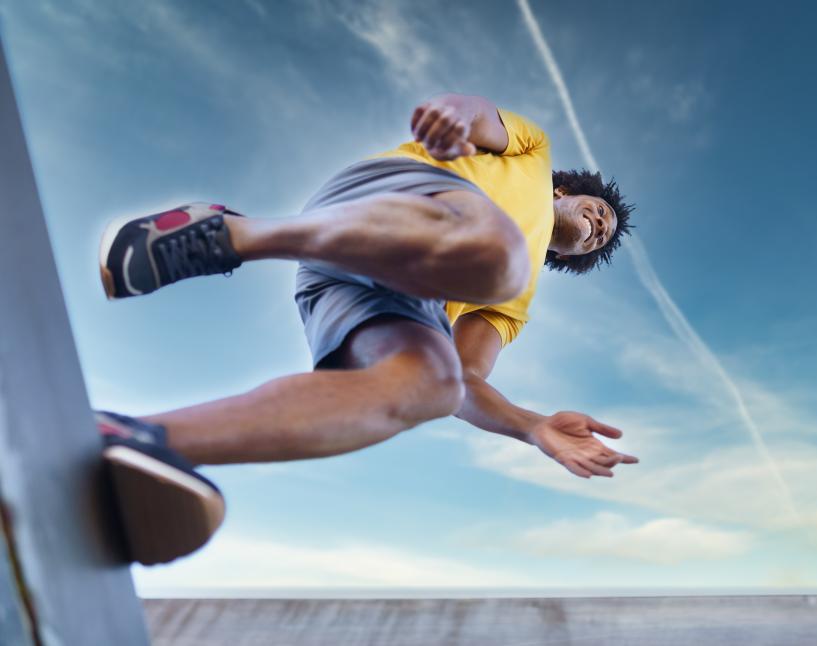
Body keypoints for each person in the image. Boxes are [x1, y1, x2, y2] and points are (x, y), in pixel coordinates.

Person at [96, 93, 639, 565]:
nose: (598, 226)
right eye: (598, 212)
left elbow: (467, 381)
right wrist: (453, 115)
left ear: (572, 257)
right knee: (501, 260)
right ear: (564, 190)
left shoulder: (514, 304)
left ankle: (142, 439)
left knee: (431, 386)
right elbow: (478, 115)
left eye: (601, 236)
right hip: (393, 200)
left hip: (366, 285)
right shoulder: (534, 155)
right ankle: (228, 235)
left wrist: (532, 426)